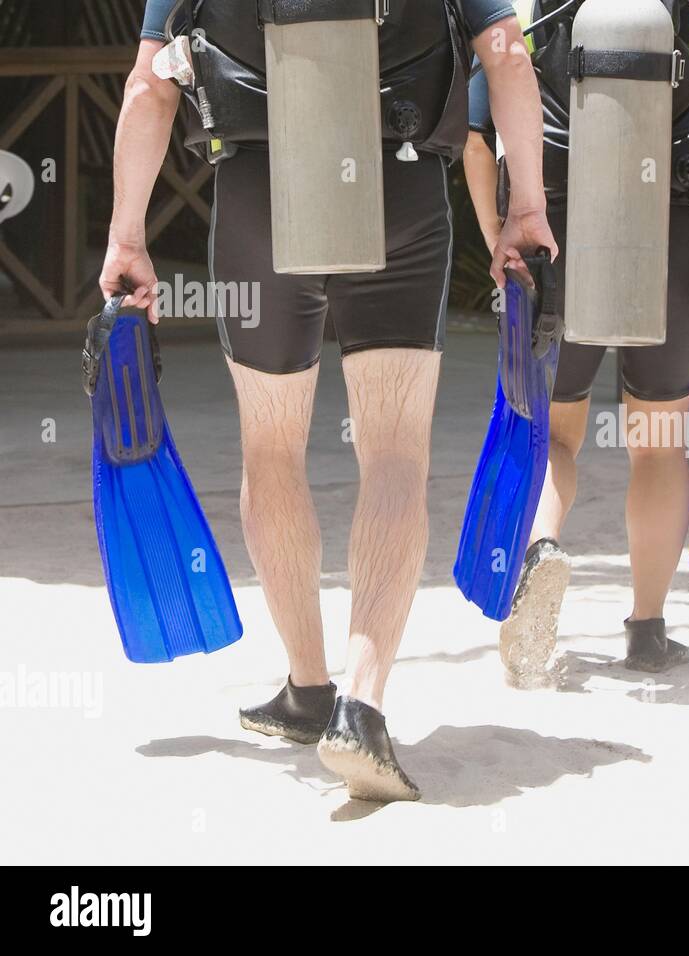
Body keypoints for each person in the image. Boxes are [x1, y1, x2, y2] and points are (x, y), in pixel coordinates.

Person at [102, 0, 556, 802]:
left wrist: (127, 237)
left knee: (270, 449)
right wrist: (526, 211)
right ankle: (363, 706)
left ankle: (309, 687)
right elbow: (508, 57)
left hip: (256, 195)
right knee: (393, 453)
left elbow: (150, 88)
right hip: (403, 188)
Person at [463, 0, 689, 687]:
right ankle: (648, 629)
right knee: (659, 442)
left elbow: (478, 140)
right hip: (679, 240)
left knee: (558, 436)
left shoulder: (522, 9)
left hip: (559, 232)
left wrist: (500, 245)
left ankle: (542, 548)